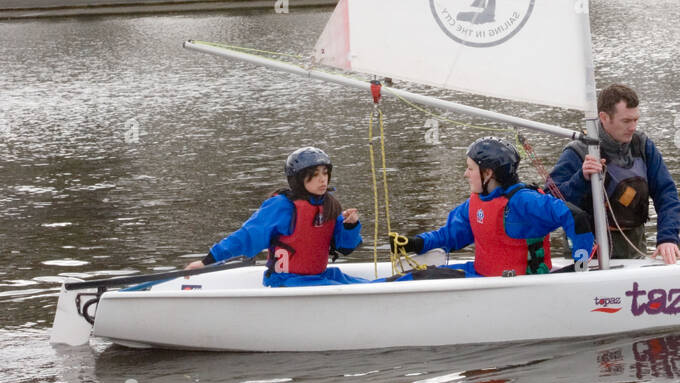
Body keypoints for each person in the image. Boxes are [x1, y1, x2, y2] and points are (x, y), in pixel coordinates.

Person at [393, 137, 594, 277]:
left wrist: (580, 265)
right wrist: (413, 243)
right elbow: (449, 236)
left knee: (418, 279)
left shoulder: (525, 201)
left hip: (520, 286)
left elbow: (575, 217)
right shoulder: (476, 202)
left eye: (470, 168)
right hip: (482, 276)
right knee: (413, 277)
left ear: (488, 173)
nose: (465, 174)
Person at [185, 146, 365, 286]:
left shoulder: (329, 205)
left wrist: (351, 226)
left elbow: (345, 247)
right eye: (314, 175)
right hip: (287, 281)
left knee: (373, 283)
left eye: (325, 173)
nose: (322, 180)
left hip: (319, 277)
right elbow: (246, 236)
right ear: (298, 179)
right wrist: (206, 262)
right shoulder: (282, 206)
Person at [548, 84, 680, 263]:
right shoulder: (577, 152)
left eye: (636, 120)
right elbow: (549, 201)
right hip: (588, 253)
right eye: (626, 121)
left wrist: (667, 238)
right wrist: (581, 179)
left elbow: (667, 193)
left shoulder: (643, 146)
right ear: (604, 117)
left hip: (634, 248)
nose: (633, 127)